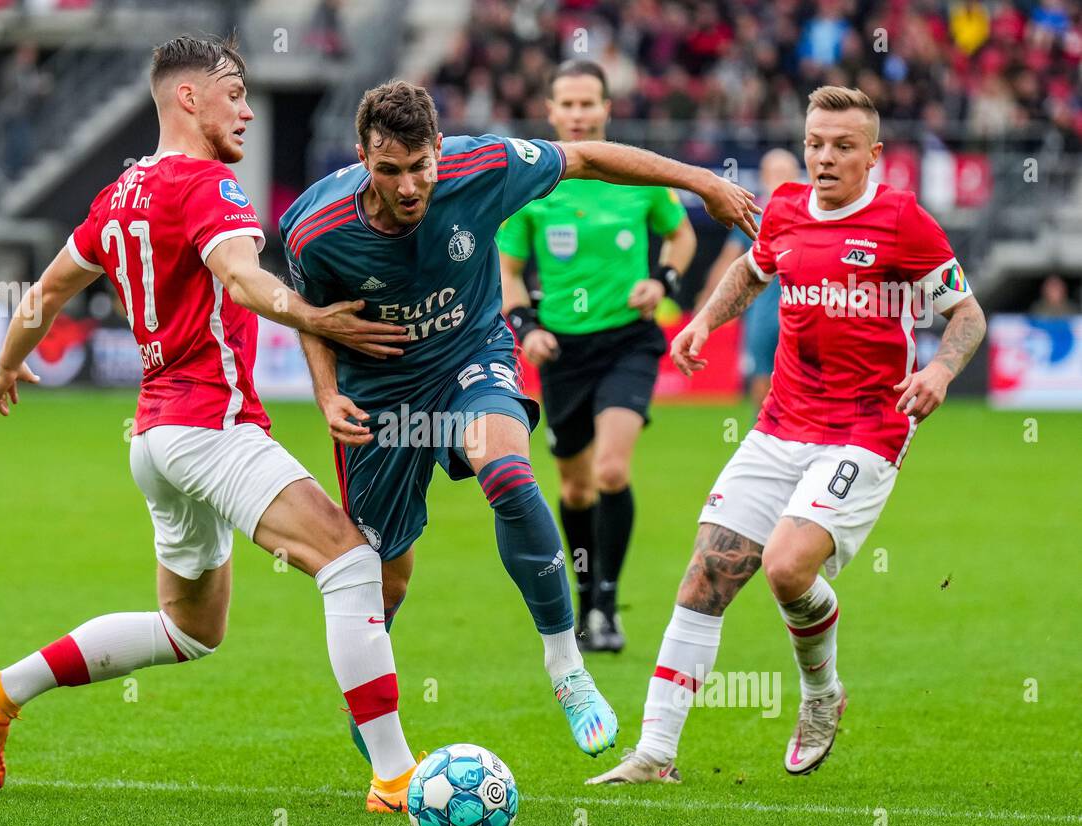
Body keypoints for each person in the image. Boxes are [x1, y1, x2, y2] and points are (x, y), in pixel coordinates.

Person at [0, 35, 422, 814]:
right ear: (187, 99)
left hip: (156, 441)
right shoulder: (212, 189)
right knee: (350, 564)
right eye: (233, 93)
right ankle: (397, 776)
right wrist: (315, 317)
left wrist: (7, 362)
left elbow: (52, 286)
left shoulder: (121, 194)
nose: (245, 108)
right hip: (211, 427)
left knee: (190, 630)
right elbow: (241, 277)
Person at [279, 80, 759, 773]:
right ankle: (373, 702)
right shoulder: (313, 226)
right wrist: (326, 393)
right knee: (383, 579)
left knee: (506, 471)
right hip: (379, 397)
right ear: (361, 158)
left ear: (440, 150)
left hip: (469, 360)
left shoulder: (485, 167)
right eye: (390, 171)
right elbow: (308, 311)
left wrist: (702, 183)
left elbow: (587, 158)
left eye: (421, 166)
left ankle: (566, 667)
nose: (410, 186)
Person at [588, 86, 987, 786]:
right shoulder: (786, 209)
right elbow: (752, 270)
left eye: (841, 147)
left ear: (873, 156)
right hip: (781, 424)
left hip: (867, 428)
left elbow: (968, 315)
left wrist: (942, 372)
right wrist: (705, 323)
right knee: (706, 574)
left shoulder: (902, 221)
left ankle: (821, 694)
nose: (825, 158)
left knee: (784, 566)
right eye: (815, 144)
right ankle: (655, 753)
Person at [498, 60, 698, 655]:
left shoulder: (635, 175)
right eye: (569, 104)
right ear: (552, 112)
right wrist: (525, 326)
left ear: (608, 109)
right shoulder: (533, 184)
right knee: (578, 488)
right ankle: (586, 602)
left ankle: (607, 605)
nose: (580, 114)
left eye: (590, 103)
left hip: (629, 341)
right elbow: (508, 271)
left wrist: (662, 280)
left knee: (612, 470)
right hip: (562, 350)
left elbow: (682, 234)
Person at [694, 148, 801, 410]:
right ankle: (763, 436)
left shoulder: (810, 217)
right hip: (761, 316)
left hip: (802, 313)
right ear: (763, 177)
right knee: (761, 381)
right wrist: (706, 303)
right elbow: (728, 261)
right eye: (774, 173)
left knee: (804, 382)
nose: (780, 179)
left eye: (785, 173)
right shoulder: (751, 218)